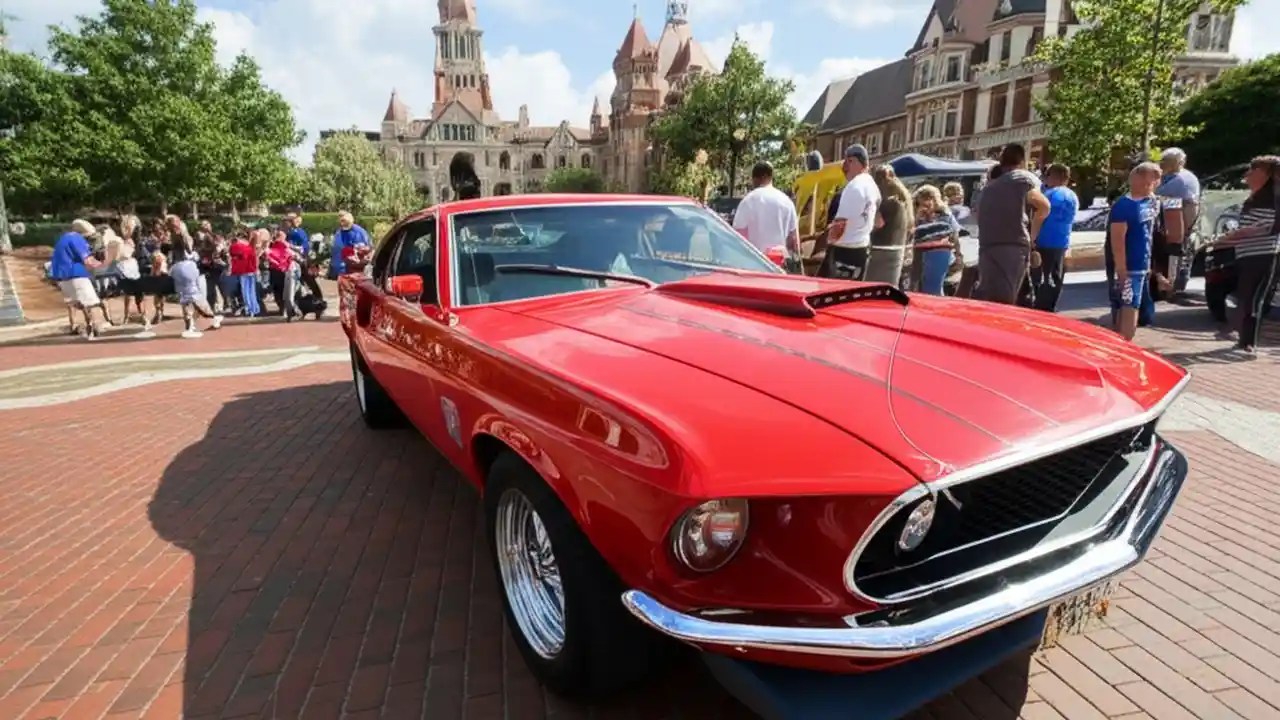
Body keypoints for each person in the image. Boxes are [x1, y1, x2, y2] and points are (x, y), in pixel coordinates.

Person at [1214, 155, 1280, 355]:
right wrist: (1228, 239)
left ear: (1265, 174)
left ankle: (1249, 343)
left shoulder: (1275, 199)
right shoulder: (1253, 199)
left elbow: (1266, 227)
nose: (1248, 174)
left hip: (1266, 254)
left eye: (1253, 170)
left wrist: (1232, 236)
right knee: (1246, 297)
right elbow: (1247, 229)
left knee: (1255, 298)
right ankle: (1245, 340)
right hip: (1247, 256)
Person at [976, 144, 1051, 305]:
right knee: (1008, 299)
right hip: (1013, 246)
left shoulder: (988, 188)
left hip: (987, 245)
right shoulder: (1022, 179)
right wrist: (1032, 236)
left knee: (990, 297)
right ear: (1022, 160)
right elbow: (1044, 206)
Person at [1106, 163, 1162, 341]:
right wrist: (1121, 269)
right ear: (1135, 180)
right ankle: (1124, 342)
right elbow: (1117, 239)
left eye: (1153, 182)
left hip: (1143, 263)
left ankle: (1123, 339)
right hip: (1130, 265)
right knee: (1129, 304)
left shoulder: (1151, 201)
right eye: (1147, 181)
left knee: (1132, 303)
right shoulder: (1123, 206)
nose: (1151, 185)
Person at [823, 144, 880, 280]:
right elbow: (877, 221)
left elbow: (839, 225)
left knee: (836, 293)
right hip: (862, 248)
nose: (844, 167)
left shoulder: (853, 187)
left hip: (845, 251)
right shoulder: (873, 186)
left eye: (847, 161)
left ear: (853, 161)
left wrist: (829, 238)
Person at [50, 220, 109, 339]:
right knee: (89, 302)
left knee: (78, 302)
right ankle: (92, 325)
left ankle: (81, 324)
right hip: (76, 274)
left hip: (61, 277)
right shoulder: (77, 239)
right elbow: (88, 261)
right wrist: (103, 264)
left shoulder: (63, 239)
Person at [1154, 147, 1202, 294]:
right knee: (1176, 253)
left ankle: (1172, 286)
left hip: (1178, 223)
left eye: (1165, 161)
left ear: (1177, 163)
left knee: (1175, 253)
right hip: (1174, 221)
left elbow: (1155, 194)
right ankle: (1171, 284)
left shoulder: (1181, 179)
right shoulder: (1173, 177)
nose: (1161, 164)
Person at [1033, 164, 1079, 312]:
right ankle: (1051, 307)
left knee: (1042, 280)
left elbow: (1039, 217)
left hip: (1043, 241)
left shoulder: (1048, 195)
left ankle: (1042, 310)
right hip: (1061, 242)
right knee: (1055, 278)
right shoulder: (1073, 196)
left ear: (1053, 176)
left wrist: (1032, 238)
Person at [732, 161, 799, 260]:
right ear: (771, 177)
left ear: (755, 178)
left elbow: (738, 238)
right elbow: (794, 241)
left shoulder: (748, 201)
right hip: (779, 264)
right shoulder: (787, 202)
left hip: (754, 264)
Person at [865, 164, 912, 286]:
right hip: (898, 250)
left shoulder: (887, 203)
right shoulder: (903, 202)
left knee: (873, 288)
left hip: (881, 251)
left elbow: (878, 223)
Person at [910, 185, 962, 295]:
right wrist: (917, 216)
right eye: (921, 203)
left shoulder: (945, 214)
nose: (925, 206)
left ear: (935, 200)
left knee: (933, 287)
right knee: (918, 287)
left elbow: (955, 235)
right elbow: (910, 233)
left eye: (927, 203)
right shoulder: (917, 215)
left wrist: (958, 255)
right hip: (919, 254)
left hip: (939, 253)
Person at [169, 251, 224, 338]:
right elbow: (198, 281)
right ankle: (196, 325)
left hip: (183, 293)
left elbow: (171, 278)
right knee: (201, 310)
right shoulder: (193, 266)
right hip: (194, 293)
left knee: (189, 311)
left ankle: (191, 326)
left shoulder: (175, 267)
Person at [267, 230, 301, 320]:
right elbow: (296, 255)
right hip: (285, 271)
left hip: (278, 270)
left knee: (279, 291)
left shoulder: (273, 246)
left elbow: (269, 256)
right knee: (288, 292)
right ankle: (289, 310)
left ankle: (284, 309)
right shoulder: (285, 246)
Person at [229, 230, 262, 318]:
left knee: (246, 291)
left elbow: (233, 254)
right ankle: (254, 309)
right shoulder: (252, 247)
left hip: (244, 271)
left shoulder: (238, 246)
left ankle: (250, 309)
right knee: (252, 291)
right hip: (251, 271)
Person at [330, 212, 373, 278]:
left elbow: (362, 253)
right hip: (337, 269)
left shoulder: (358, 233)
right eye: (341, 221)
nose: (342, 223)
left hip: (349, 272)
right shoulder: (340, 231)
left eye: (344, 221)